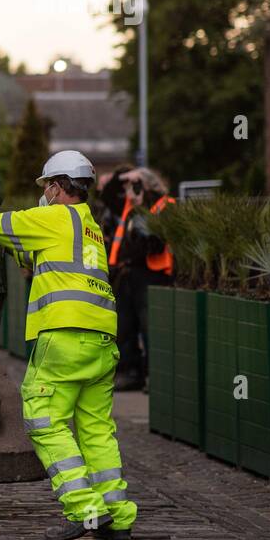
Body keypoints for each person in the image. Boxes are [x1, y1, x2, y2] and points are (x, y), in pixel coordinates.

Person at [0, 149, 137, 540]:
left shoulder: (53, 216)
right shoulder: (89, 226)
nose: (44, 193)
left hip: (64, 337)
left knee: (44, 418)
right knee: (96, 429)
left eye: (46, 187)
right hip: (101, 341)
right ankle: (117, 513)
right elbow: (31, 255)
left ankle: (84, 507)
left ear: (59, 187)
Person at [108, 167, 174, 391]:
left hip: (152, 276)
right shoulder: (130, 209)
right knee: (125, 327)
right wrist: (123, 175)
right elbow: (106, 194)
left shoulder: (165, 206)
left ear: (147, 186)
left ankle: (155, 376)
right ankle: (130, 372)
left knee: (150, 328)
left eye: (133, 186)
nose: (129, 192)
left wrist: (143, 182)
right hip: (127, 276)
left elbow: (154, 243)